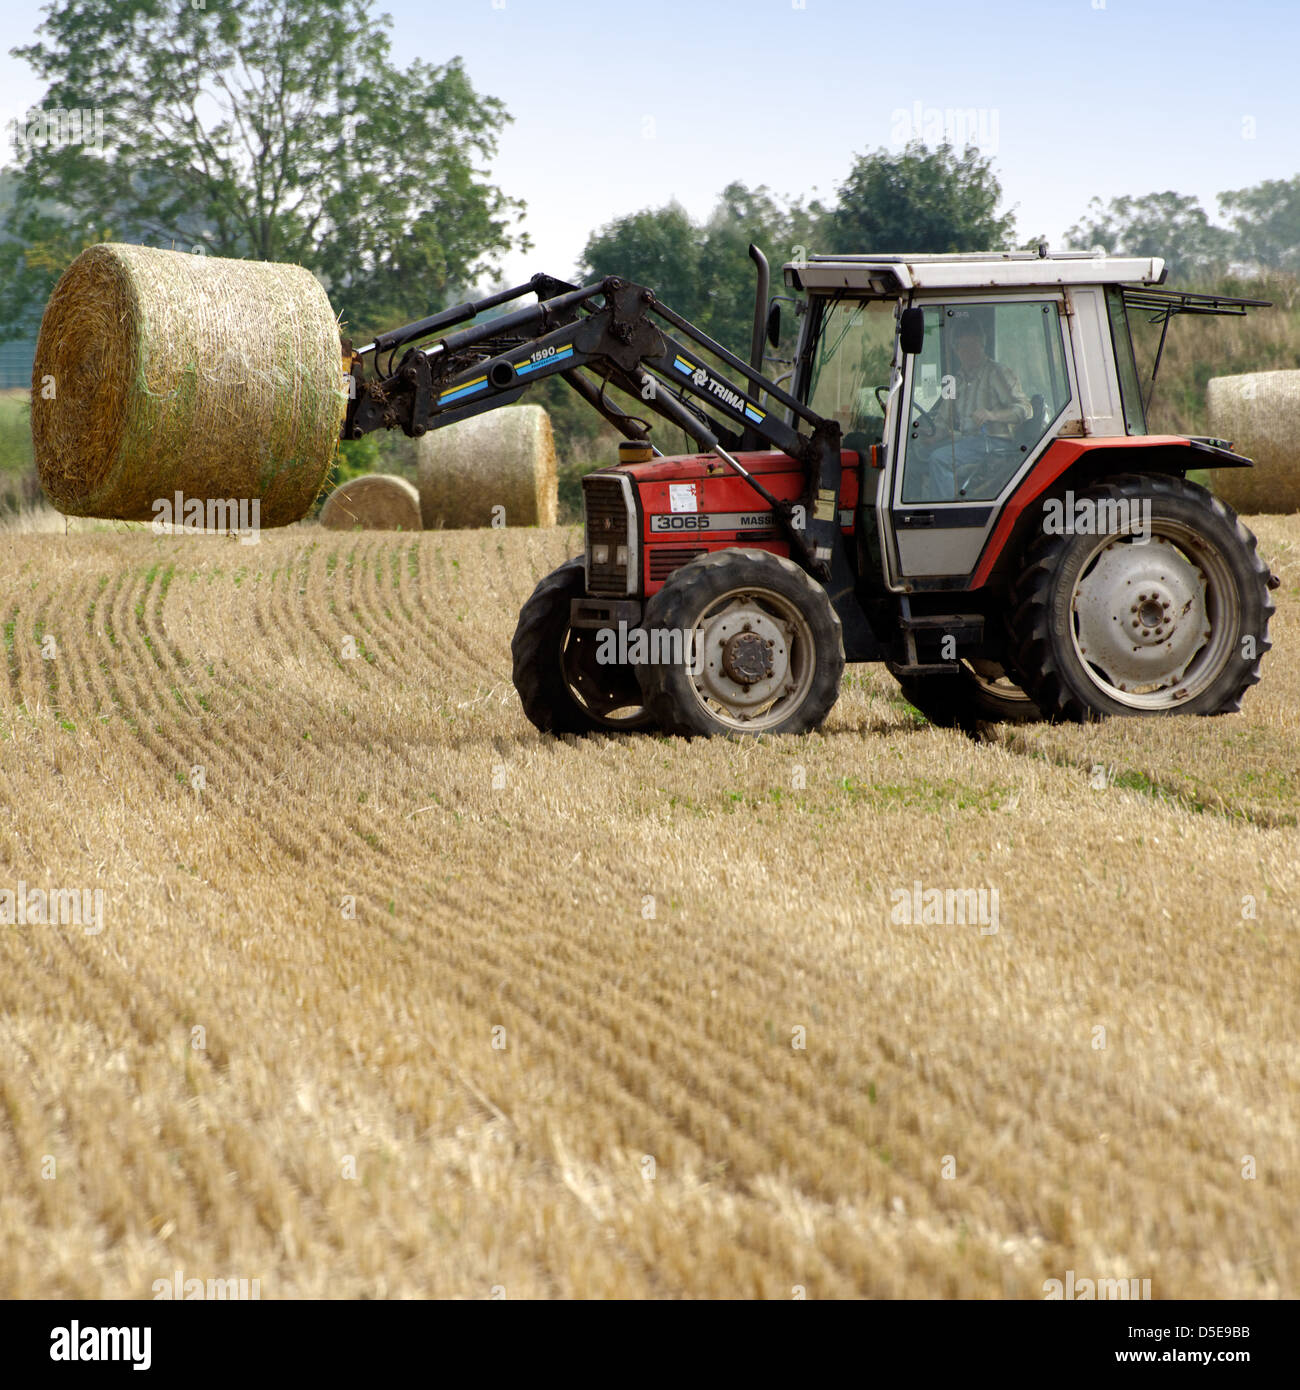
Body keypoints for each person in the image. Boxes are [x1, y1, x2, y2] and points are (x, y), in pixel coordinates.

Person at [912, 321, 1033, 501]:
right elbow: (944, 420)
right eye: (964, 347)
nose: (970, 352)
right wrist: (931, 436)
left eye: (975, 345)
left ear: (982, 346)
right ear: (956, 350)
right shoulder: (953, 380)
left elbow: (1025, 410)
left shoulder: (997, 372)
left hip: (994, 443)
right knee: (915, 456)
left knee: (940, 459)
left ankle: (945, 514)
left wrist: (993, 415)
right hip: (969, 442)